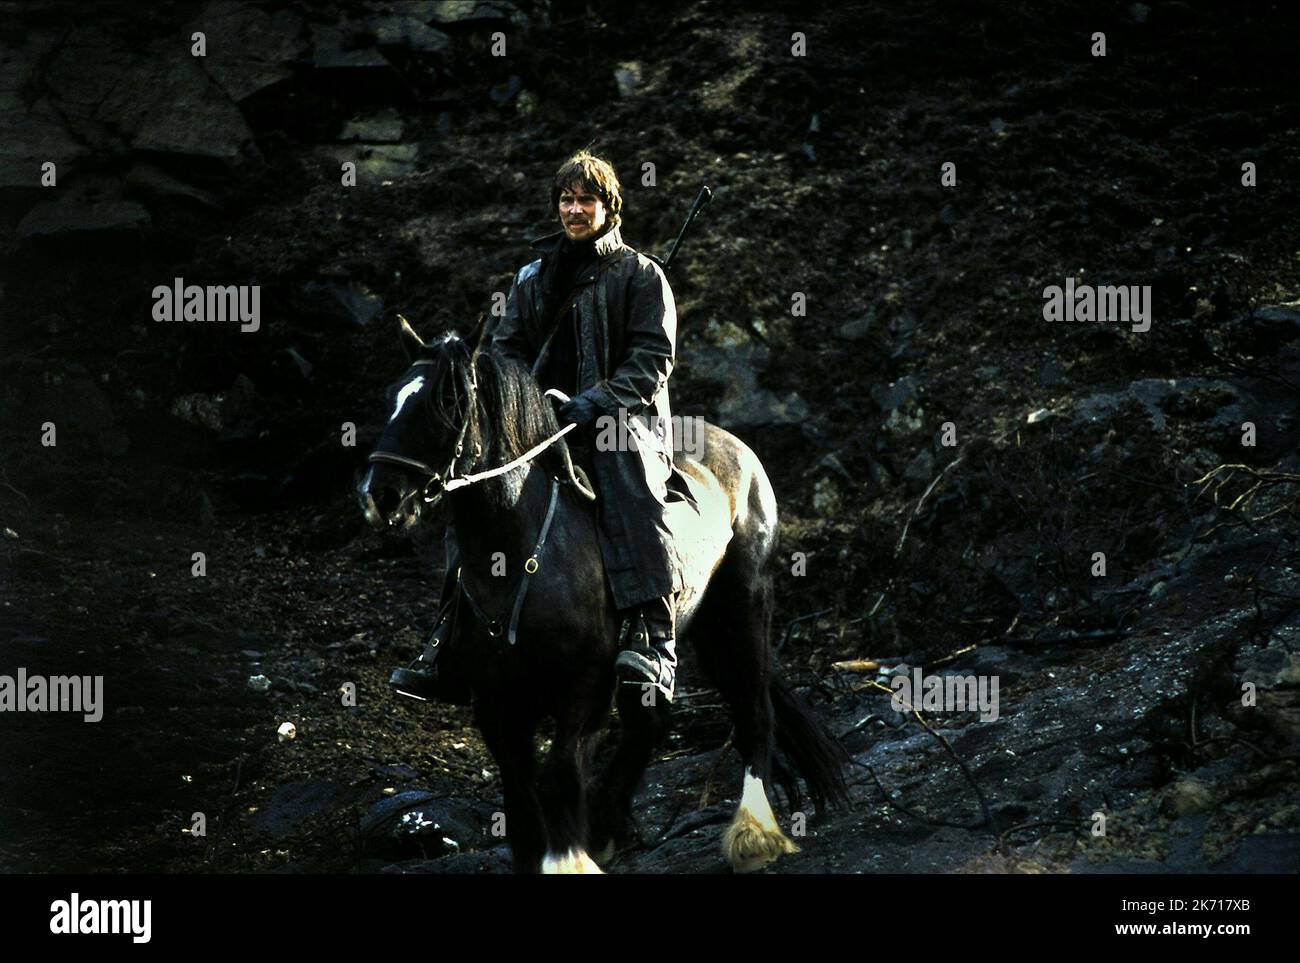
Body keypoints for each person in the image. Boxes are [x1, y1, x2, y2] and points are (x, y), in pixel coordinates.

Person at [390, 150, 684, 705]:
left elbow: (651, 360)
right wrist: (527, 407)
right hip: (540, 422)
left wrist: (592, 402)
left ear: (609, 207)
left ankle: (651, 639)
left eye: (586, 200)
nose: (575, 210)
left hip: (621, 420)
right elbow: (506, 352)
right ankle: (447, 639)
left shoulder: (643, 276)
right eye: (567, 200)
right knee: (472, 496)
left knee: (632, 491)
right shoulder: (529, 277)